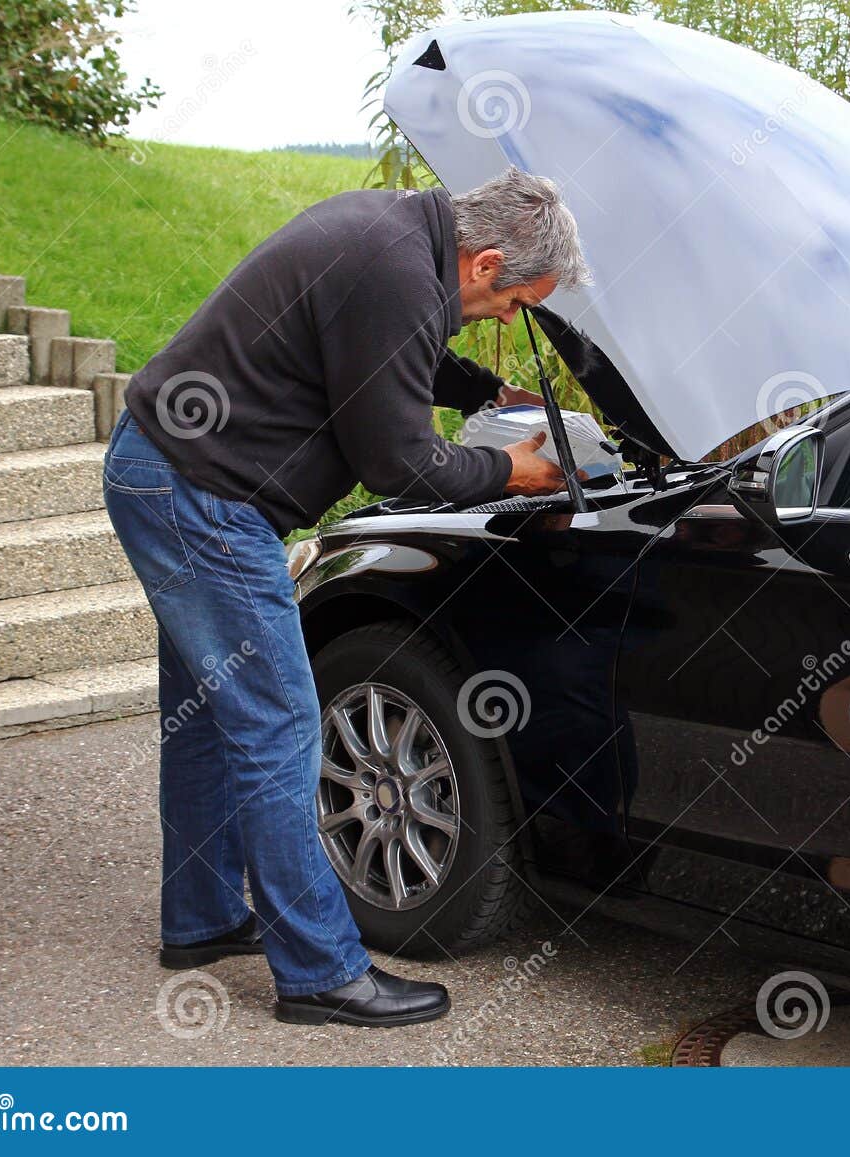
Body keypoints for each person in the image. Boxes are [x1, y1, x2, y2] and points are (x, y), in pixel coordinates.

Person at [102, 168, 588, 1027]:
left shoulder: (396, 236)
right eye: (519, 300)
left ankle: (204, 917)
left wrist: (484, 395)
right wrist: (511, 468)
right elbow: (399, 463)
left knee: (216, 715)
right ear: (484, 262)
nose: (513, 315)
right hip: (202, 499)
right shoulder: (399, 268)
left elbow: (390, 354)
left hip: (168, 473)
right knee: (280, 723)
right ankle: (322, 971)